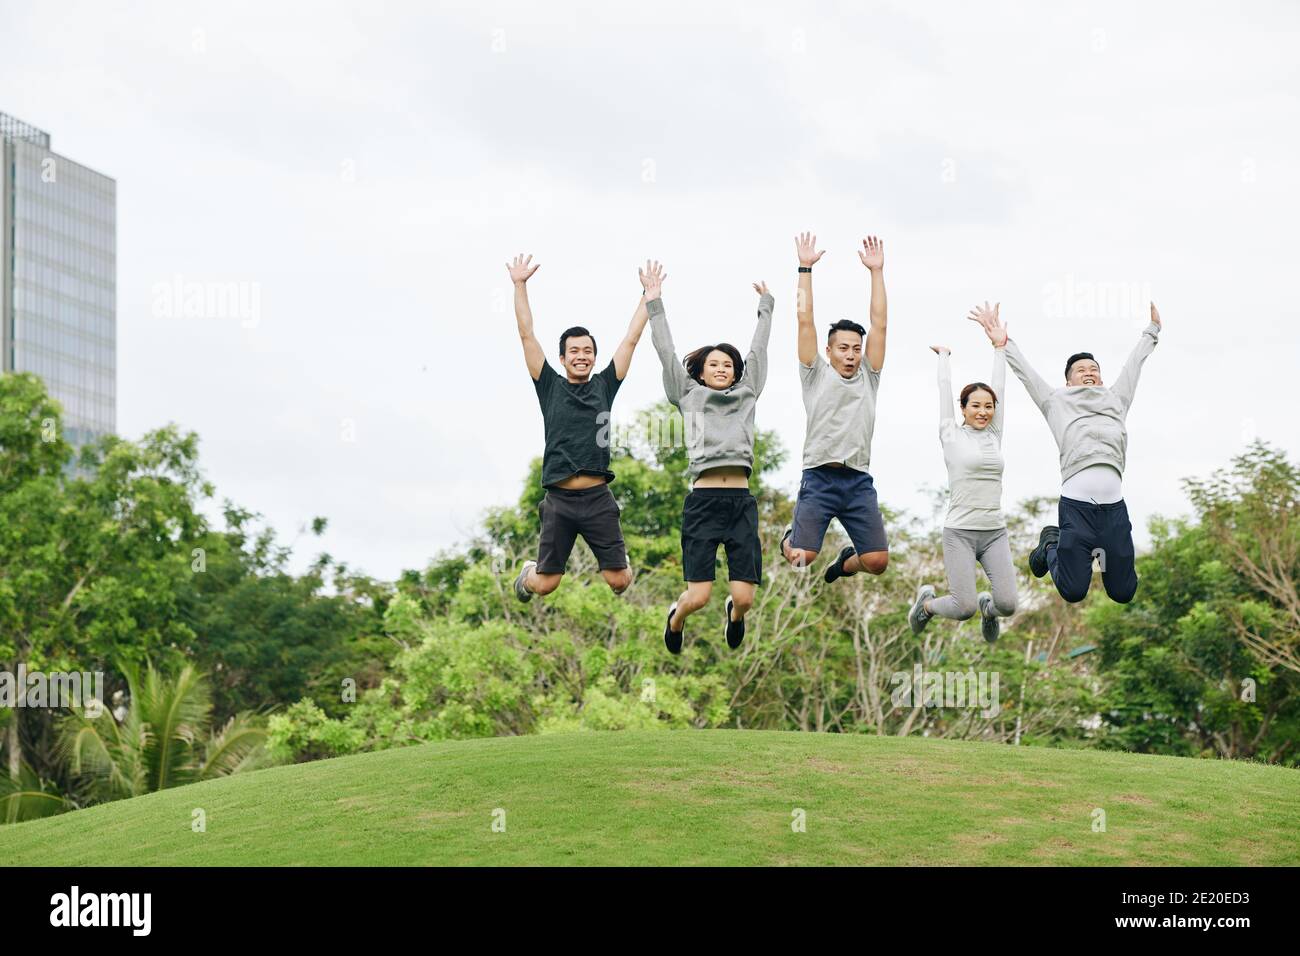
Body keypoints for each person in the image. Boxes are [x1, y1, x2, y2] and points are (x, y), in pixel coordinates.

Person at [972, 302, 1163, 604]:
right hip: (1077, 510)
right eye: (1081, 370)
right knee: (1073, 591)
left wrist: (1152, 330)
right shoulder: (1056, 401)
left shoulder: (1116, 398)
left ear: (1100, 378)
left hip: (1114, 512)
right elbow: (1027, 375)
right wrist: (1003, 343)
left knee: (1123, 592)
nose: (1089, 373)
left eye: (1094, 369)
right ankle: (1051, 542)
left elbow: (1134, 364)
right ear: (1068, 381)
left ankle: (1098, 555)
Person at [645, 266, 773, 654]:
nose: (722, 368)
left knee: (746, 598)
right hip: (702, 504)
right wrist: (654, 301)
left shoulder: (747, 392)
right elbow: (665, 350)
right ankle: (676, 618)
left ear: (736, 373)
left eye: (728, 365)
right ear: (700, 372)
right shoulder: (688, 394)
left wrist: (766, 306)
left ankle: (735, 613)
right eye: (714, 364)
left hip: (740, 504)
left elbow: (759, 351)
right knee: (698, 597)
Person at [509, 252, 651, 601]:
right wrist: (519, 285)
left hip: (597, 498)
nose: (581, 356)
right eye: (574, 351)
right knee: (545, 585)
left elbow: (630, 340)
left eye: (587, 350)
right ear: (562, 358)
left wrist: (648, 297)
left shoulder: (605, 384)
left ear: (594, 356)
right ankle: (528, 572)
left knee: (620, 582)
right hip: (559, 499)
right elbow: (527, 335)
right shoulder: (550, 385)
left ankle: (616, 554)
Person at [781, 231, 890, 584]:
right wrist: (804, 269)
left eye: (856, 348)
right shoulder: (815, 373)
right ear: (830, 351)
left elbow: (880, 324)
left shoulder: (869, 375)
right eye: (843, 348)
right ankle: (789, 537)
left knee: (876, 562)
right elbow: (804, 319)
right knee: (800, 558)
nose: (851, 355)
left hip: (857, 480)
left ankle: (845, 563)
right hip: (820, 476)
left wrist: (876, 272)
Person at [908, 302, 1018, 643]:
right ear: (963, 409)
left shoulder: (994, 434)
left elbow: (1000, 384)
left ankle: (991, 610)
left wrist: (999, 347)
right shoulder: (950, 434)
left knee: (1008, 604)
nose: (983, 411)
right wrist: (944, 356)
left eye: (989, 406)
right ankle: (926, 607)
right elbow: (944, 390)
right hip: (960, 532)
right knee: (963, 606)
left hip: (994, 531)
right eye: (976, 406)